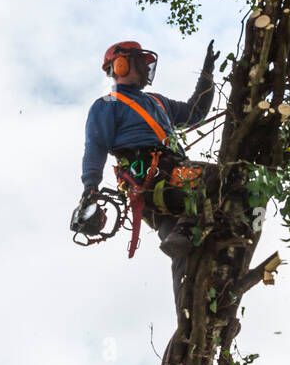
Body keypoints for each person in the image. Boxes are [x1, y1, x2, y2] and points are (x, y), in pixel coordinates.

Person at [74, 40, 219, 309]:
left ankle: (187, 332)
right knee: (219, 178)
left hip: (165, 182)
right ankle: (186, 228)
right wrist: (90, 189)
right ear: (120, 65)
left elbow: (194, 112)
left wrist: (207, 75)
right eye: (139, 62)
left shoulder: (157, 101)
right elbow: (95, 147)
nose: (145, 69)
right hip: (156, 178)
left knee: (185, 256)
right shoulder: (107, 104)